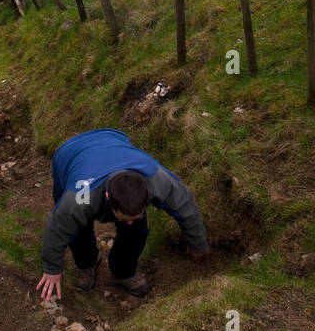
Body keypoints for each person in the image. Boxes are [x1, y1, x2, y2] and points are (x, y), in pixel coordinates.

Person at [37, 128, 209, 301]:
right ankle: (87, 263)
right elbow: (58, 226)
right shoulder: (80, 197)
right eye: (121, 218)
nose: (127, 222)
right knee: (77, 230)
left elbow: (186, 207)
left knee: (137, 231)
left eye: (134, 217)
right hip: (69, 155)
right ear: (107, 198)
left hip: (113, 140)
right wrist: (52, 269)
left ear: (147, 196)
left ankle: (123, 271)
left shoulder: (156, 179)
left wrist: (198, 243)